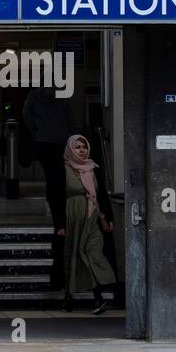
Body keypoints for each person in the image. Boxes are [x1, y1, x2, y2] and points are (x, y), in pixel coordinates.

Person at [59, 134, 116, 314]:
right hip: (73, 219)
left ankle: (98, 298)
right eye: (78, 147)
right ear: (70, 149)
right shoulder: (63, 169)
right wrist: (60, 224)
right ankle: (68, 296)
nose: (82, 150)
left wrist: (109, 218)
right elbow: (54, 197)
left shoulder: (93, 168)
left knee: (93, 253)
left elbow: (102, 195)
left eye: (84, 147)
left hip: (93, 219)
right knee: (73, 256)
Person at [23, 87, 72, 288]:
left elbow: (27, 114)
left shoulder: (35, 94)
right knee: (60, 177)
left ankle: (57, 213)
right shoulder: (62, 93)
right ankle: (61, 215)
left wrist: (35, 131)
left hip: (43, 139)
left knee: (53, 179)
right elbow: (70, 116)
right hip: (62, 138)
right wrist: (71, 133)